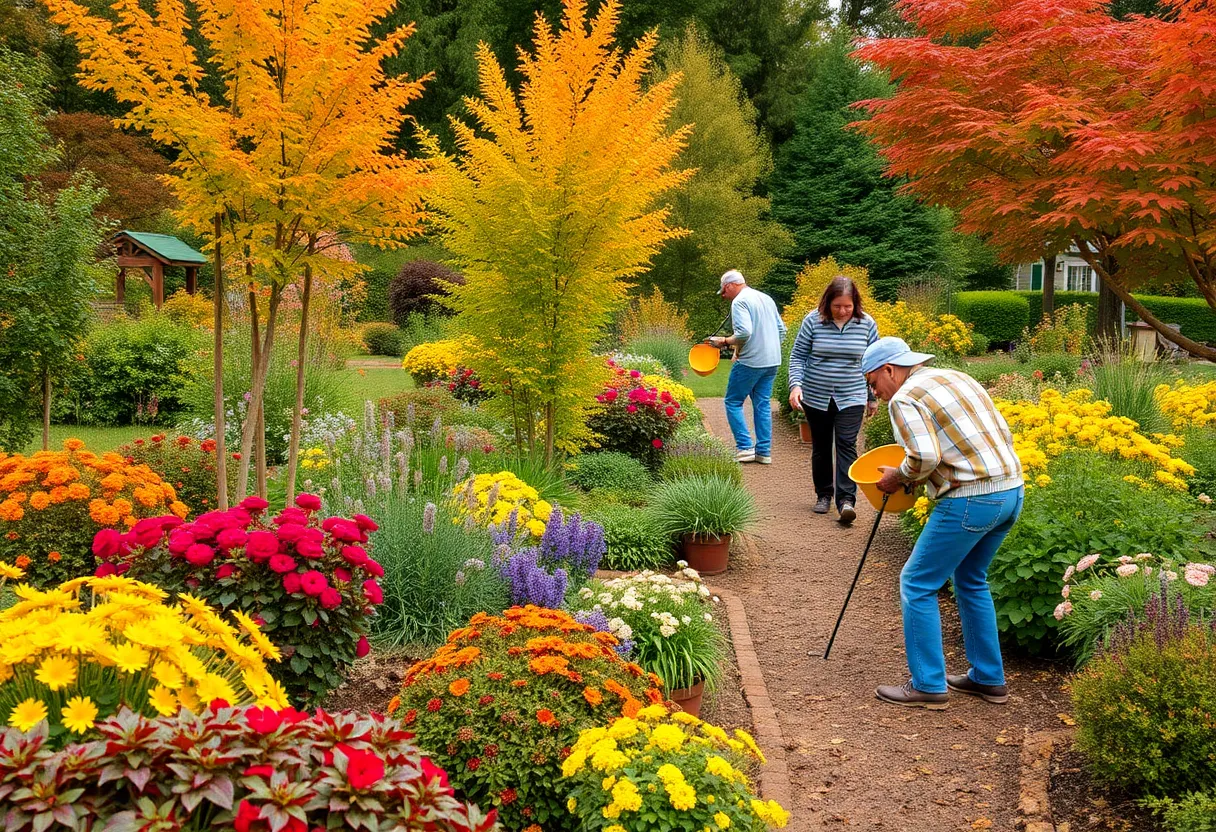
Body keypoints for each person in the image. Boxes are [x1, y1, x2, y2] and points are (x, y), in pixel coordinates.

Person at [862, 336, 1024, 709]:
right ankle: (988, 678)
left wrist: (898, 478)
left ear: (890, 369)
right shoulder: (955, 376)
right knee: (970, 579)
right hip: (1012, 491)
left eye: (874, 384)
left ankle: (928, 685)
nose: (877, 394)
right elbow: (1000, 434)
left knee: (916, 582)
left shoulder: (905, 398)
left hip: (972, 498)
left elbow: (923, 456)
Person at [787, 276, 879, 524]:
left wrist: (872, 397)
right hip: (816, 395)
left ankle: (846, 501)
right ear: (827, 302)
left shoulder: (867, 324)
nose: (842, 311)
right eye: (837, 306)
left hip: (852, 395)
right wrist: (795, 386)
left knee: (847, 444)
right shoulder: (813, 321)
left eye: (847, 306)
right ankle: (824, 494)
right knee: (821, 445)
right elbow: (797, 357)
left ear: (855, 304)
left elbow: (873, 364)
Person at [708, 270, 786, 464]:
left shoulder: (740, 301)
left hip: (751, 362)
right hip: (772, 361)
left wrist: (724, 341)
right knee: (762, 404)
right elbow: (781, 330)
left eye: (723, 292)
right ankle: (763, 452)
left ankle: (744, 448)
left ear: (729, 286)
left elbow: (744, 332)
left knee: (733, 402)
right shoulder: (765, 298)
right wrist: (767, 349)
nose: (724, 296)